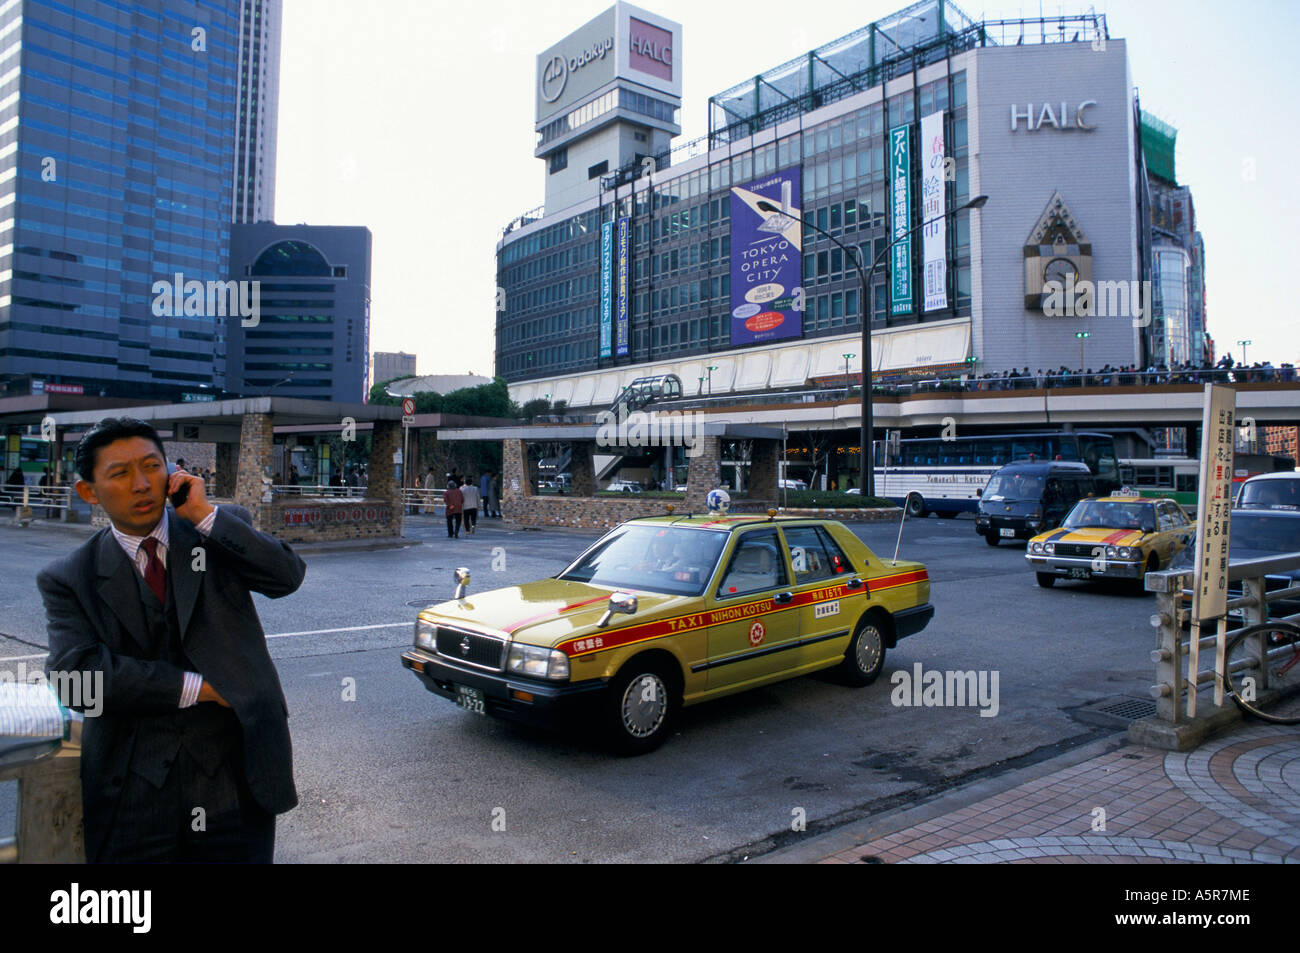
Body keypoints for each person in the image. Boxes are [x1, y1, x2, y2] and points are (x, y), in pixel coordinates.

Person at [37, 417, 305, 863]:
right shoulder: (69, 577)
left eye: (151, 466)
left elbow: (287, 577)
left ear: (172, 472)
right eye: (120, 474)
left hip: (235, 780)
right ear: (89, 491)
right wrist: (200, 688)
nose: (141, 484)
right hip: (133, 792)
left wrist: (202, 515)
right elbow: (75, 680)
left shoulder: (216, 529)